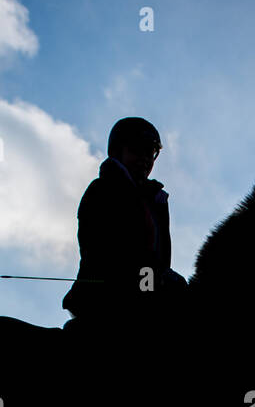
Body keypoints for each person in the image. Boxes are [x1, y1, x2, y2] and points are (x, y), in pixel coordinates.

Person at [62, 117, 188, 329]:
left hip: (147, 295)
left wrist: (164, 280)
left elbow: (158, 260)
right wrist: (151, 280)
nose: (146, 159)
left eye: (151, 153)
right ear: (119, 151)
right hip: (107, 301)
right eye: (139, 150)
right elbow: (101, 250)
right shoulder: (102, 190)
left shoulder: (155, 201)